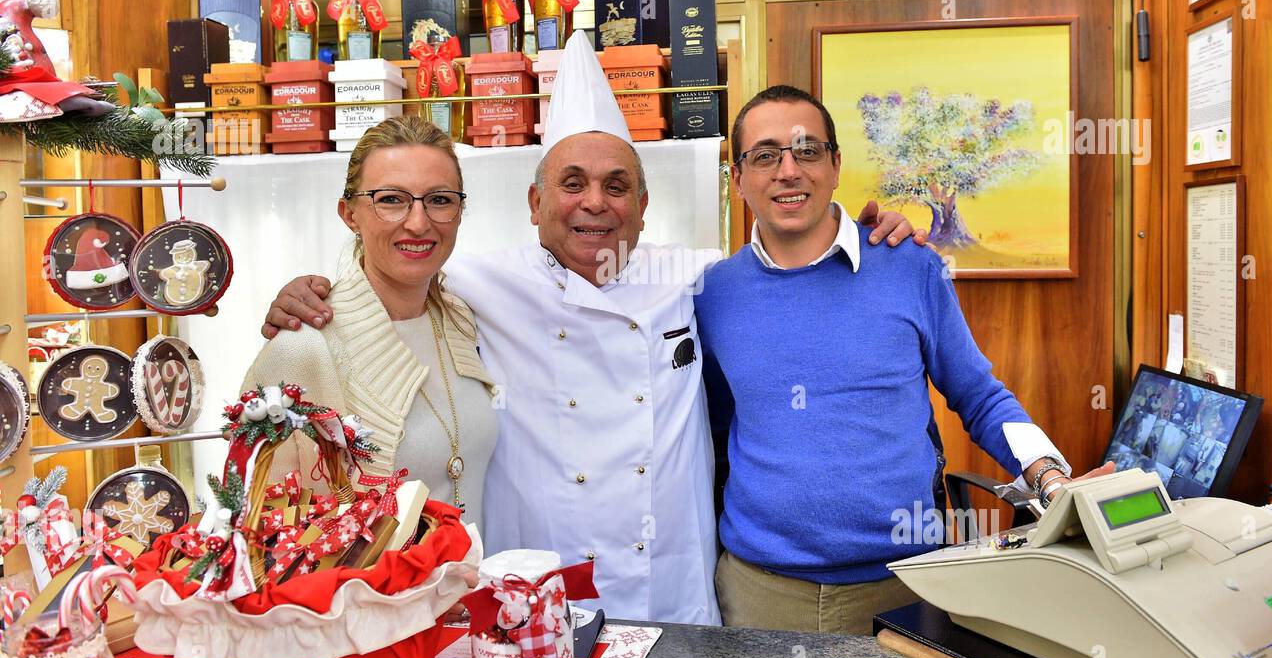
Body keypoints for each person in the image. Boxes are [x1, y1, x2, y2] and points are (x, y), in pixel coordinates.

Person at [259, 35, 924, 624]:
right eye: (572, 183)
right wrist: (309, 295)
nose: (595, 203)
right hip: (545, 603)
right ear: (535, 203)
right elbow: (397, 271)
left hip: (672, 591)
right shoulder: (474, 288)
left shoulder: (699, 279)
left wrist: (868, 242)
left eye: (616, 185)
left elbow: (795, 266)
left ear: (642, 204)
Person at [696, 85, 1114, 634]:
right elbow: (716, 428)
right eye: (765, 155)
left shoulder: (910, 267)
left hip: (903, 583)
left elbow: (979, 395)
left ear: (837, 164)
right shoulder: (713, 295)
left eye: (808, 151)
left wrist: (1050, 479)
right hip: (760, 594)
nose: (788, 170)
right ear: (738, 178)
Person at [243, 117, 499, 526]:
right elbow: (265, 524)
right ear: (350, 214)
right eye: (391, 199)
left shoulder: (462, 320)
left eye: (439, 199)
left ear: (460, 210)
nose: (418, 222)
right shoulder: (303, 346)